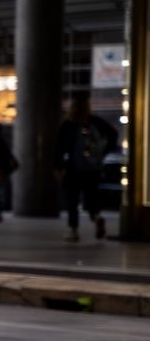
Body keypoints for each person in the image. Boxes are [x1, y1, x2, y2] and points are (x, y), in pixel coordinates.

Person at [55, 94, 118, 242]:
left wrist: (58, 166)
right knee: (91, 197)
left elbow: (59, 147)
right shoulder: (94, 122)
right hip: (92, 168)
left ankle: (73, 229)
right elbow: (113, 133)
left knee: (72, 198)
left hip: (73, 168)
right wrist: (103, 152)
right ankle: (97, 217)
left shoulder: (68, 125)